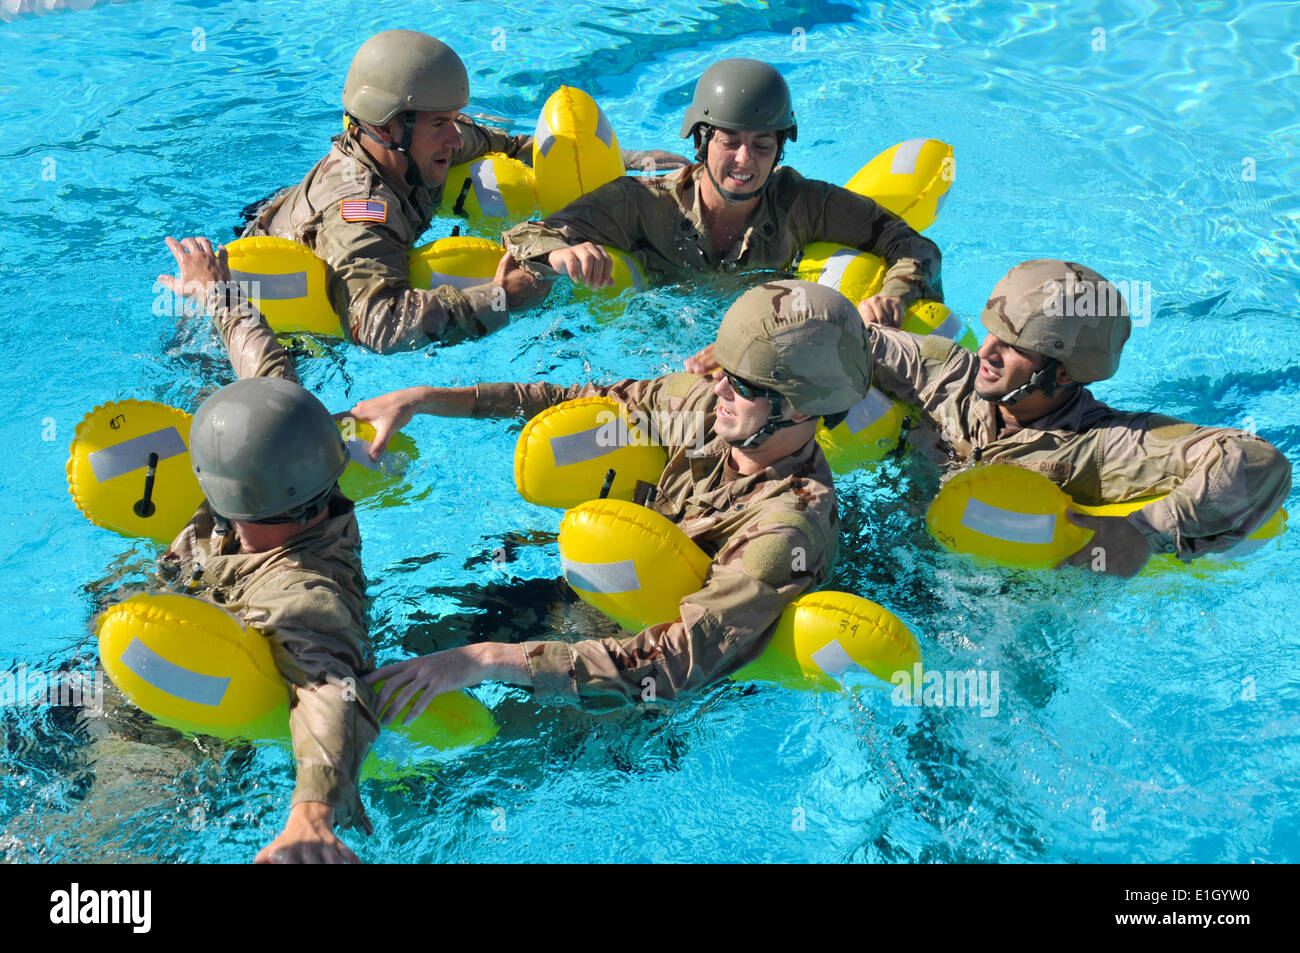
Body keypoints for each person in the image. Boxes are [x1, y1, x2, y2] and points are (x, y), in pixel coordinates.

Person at [343, 280, 870, 715]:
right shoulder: (701, 411)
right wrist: (426, 398)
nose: (720, 391)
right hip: (593, 597)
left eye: (745, 386)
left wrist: (485, 661)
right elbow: (571, 404)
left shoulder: (786, 528)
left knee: (447, 764)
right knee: (379, 658)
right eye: (721, 373)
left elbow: (676, 663)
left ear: (799, 410)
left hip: (640, 693)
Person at [732, 258, 1287, 577]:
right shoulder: (951, 376)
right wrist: (746, 360)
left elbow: (1258, 461)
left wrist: (1146, 532)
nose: (988, 351)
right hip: (890, 553)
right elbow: (850, 338)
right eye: (992, 331)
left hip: (989, 605)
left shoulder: (1103, 444)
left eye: (1013, 345)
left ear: (1063, 374)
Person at [239, 30, 685, 354]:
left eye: (453, 120)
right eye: (440, 124)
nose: (454, 139)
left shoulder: (421, 141)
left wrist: (629, 160)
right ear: (385, 126)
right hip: (282, 320)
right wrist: (501, 297)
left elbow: (510, 145)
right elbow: (377, 326)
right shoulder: (360, 212)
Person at [156, 236, 378, 863]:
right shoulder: (289, 435)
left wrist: (312, 814)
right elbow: (263, 366)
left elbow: (328, 686)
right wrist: (213, 290)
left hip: (194, 730)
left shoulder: (304, 593)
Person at [501, 58, 943, 326]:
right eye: (730, 142)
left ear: (779, 150)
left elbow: (912, 244)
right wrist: (558, 255)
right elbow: (527, 234)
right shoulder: (645, 202)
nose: (745, 161)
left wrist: (893, 297)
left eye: (762, 146)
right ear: (700, 141)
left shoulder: (803, 203)